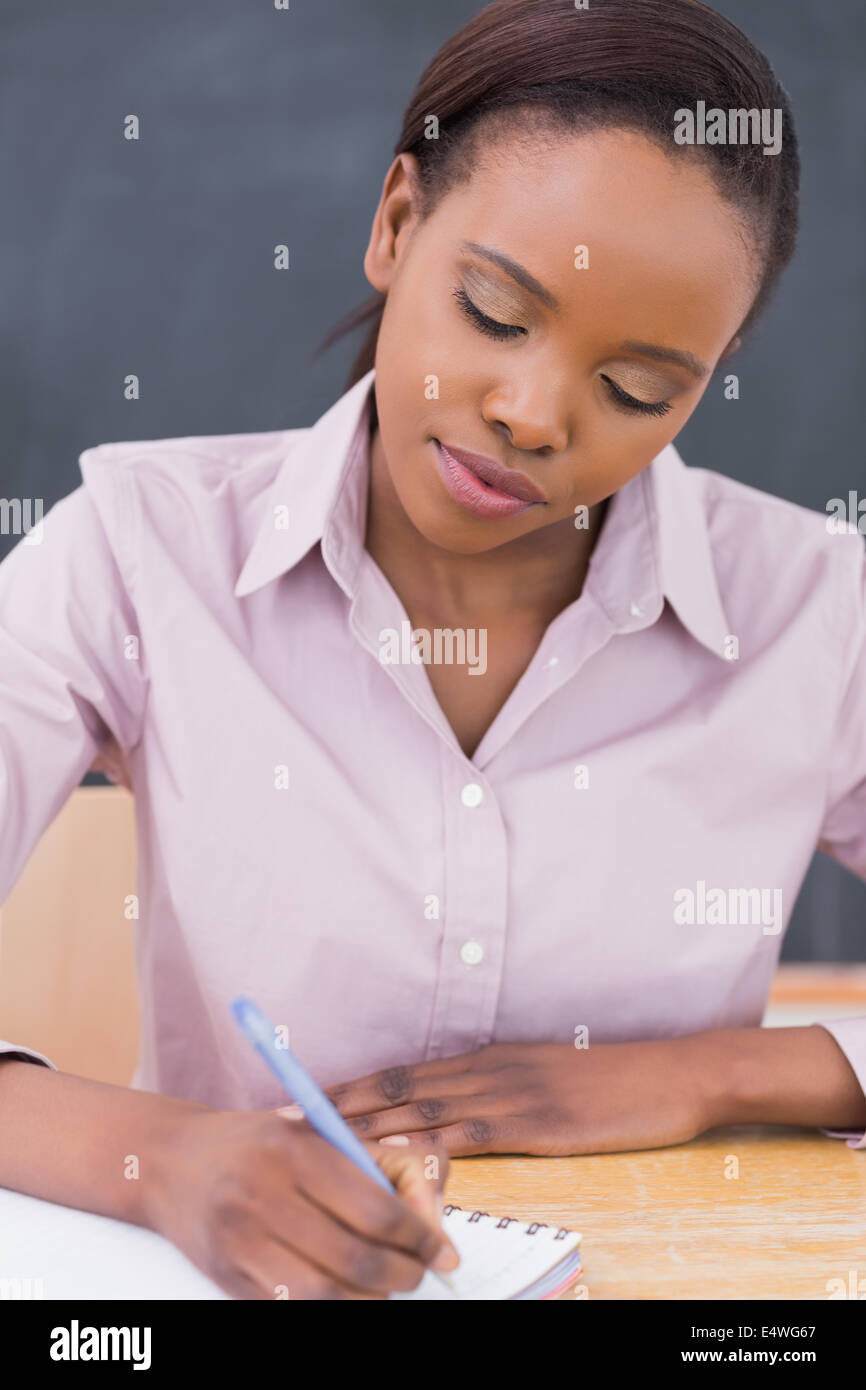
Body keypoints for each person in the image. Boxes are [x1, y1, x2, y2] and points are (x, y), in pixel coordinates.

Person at [1, 0, 864, 1301]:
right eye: (492, 311)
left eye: (639, 387)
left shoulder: (816, 608)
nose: (530, 414)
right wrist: (160, 1156)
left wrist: (701, 1073)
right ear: (396, 222)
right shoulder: (137, 551)